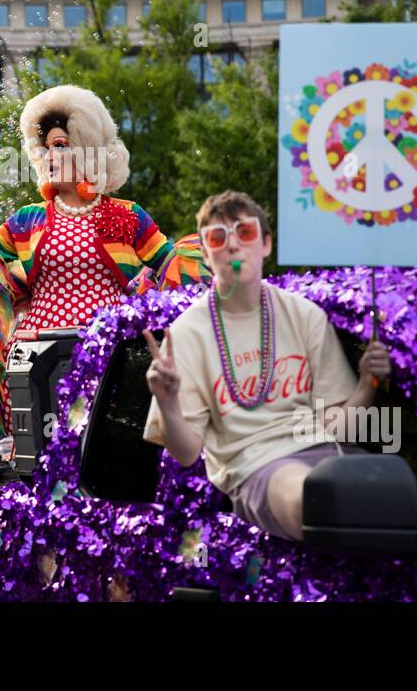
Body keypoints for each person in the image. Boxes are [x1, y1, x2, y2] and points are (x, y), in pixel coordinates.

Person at [0, 84, 209, 461]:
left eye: (61, 145)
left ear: (87, 151)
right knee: (43, 454)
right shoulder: (28, 219)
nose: (51, 155)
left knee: (101, 452)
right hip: (36, 357)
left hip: (105, 353)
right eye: (45, 147)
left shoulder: (127, 216)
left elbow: (173, 270)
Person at [143, 190, 392, 541]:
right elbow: (186, 453)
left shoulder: (304, 314)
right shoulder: (186, 334)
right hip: (257, 470)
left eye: (244, 233)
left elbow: (338, 428)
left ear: (266, 245)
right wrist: (168, 403)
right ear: (205, 253)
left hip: (330, 456)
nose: (232, 246)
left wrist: (367, 384)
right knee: (315, 498)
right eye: (218, 237)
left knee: (396, 493)